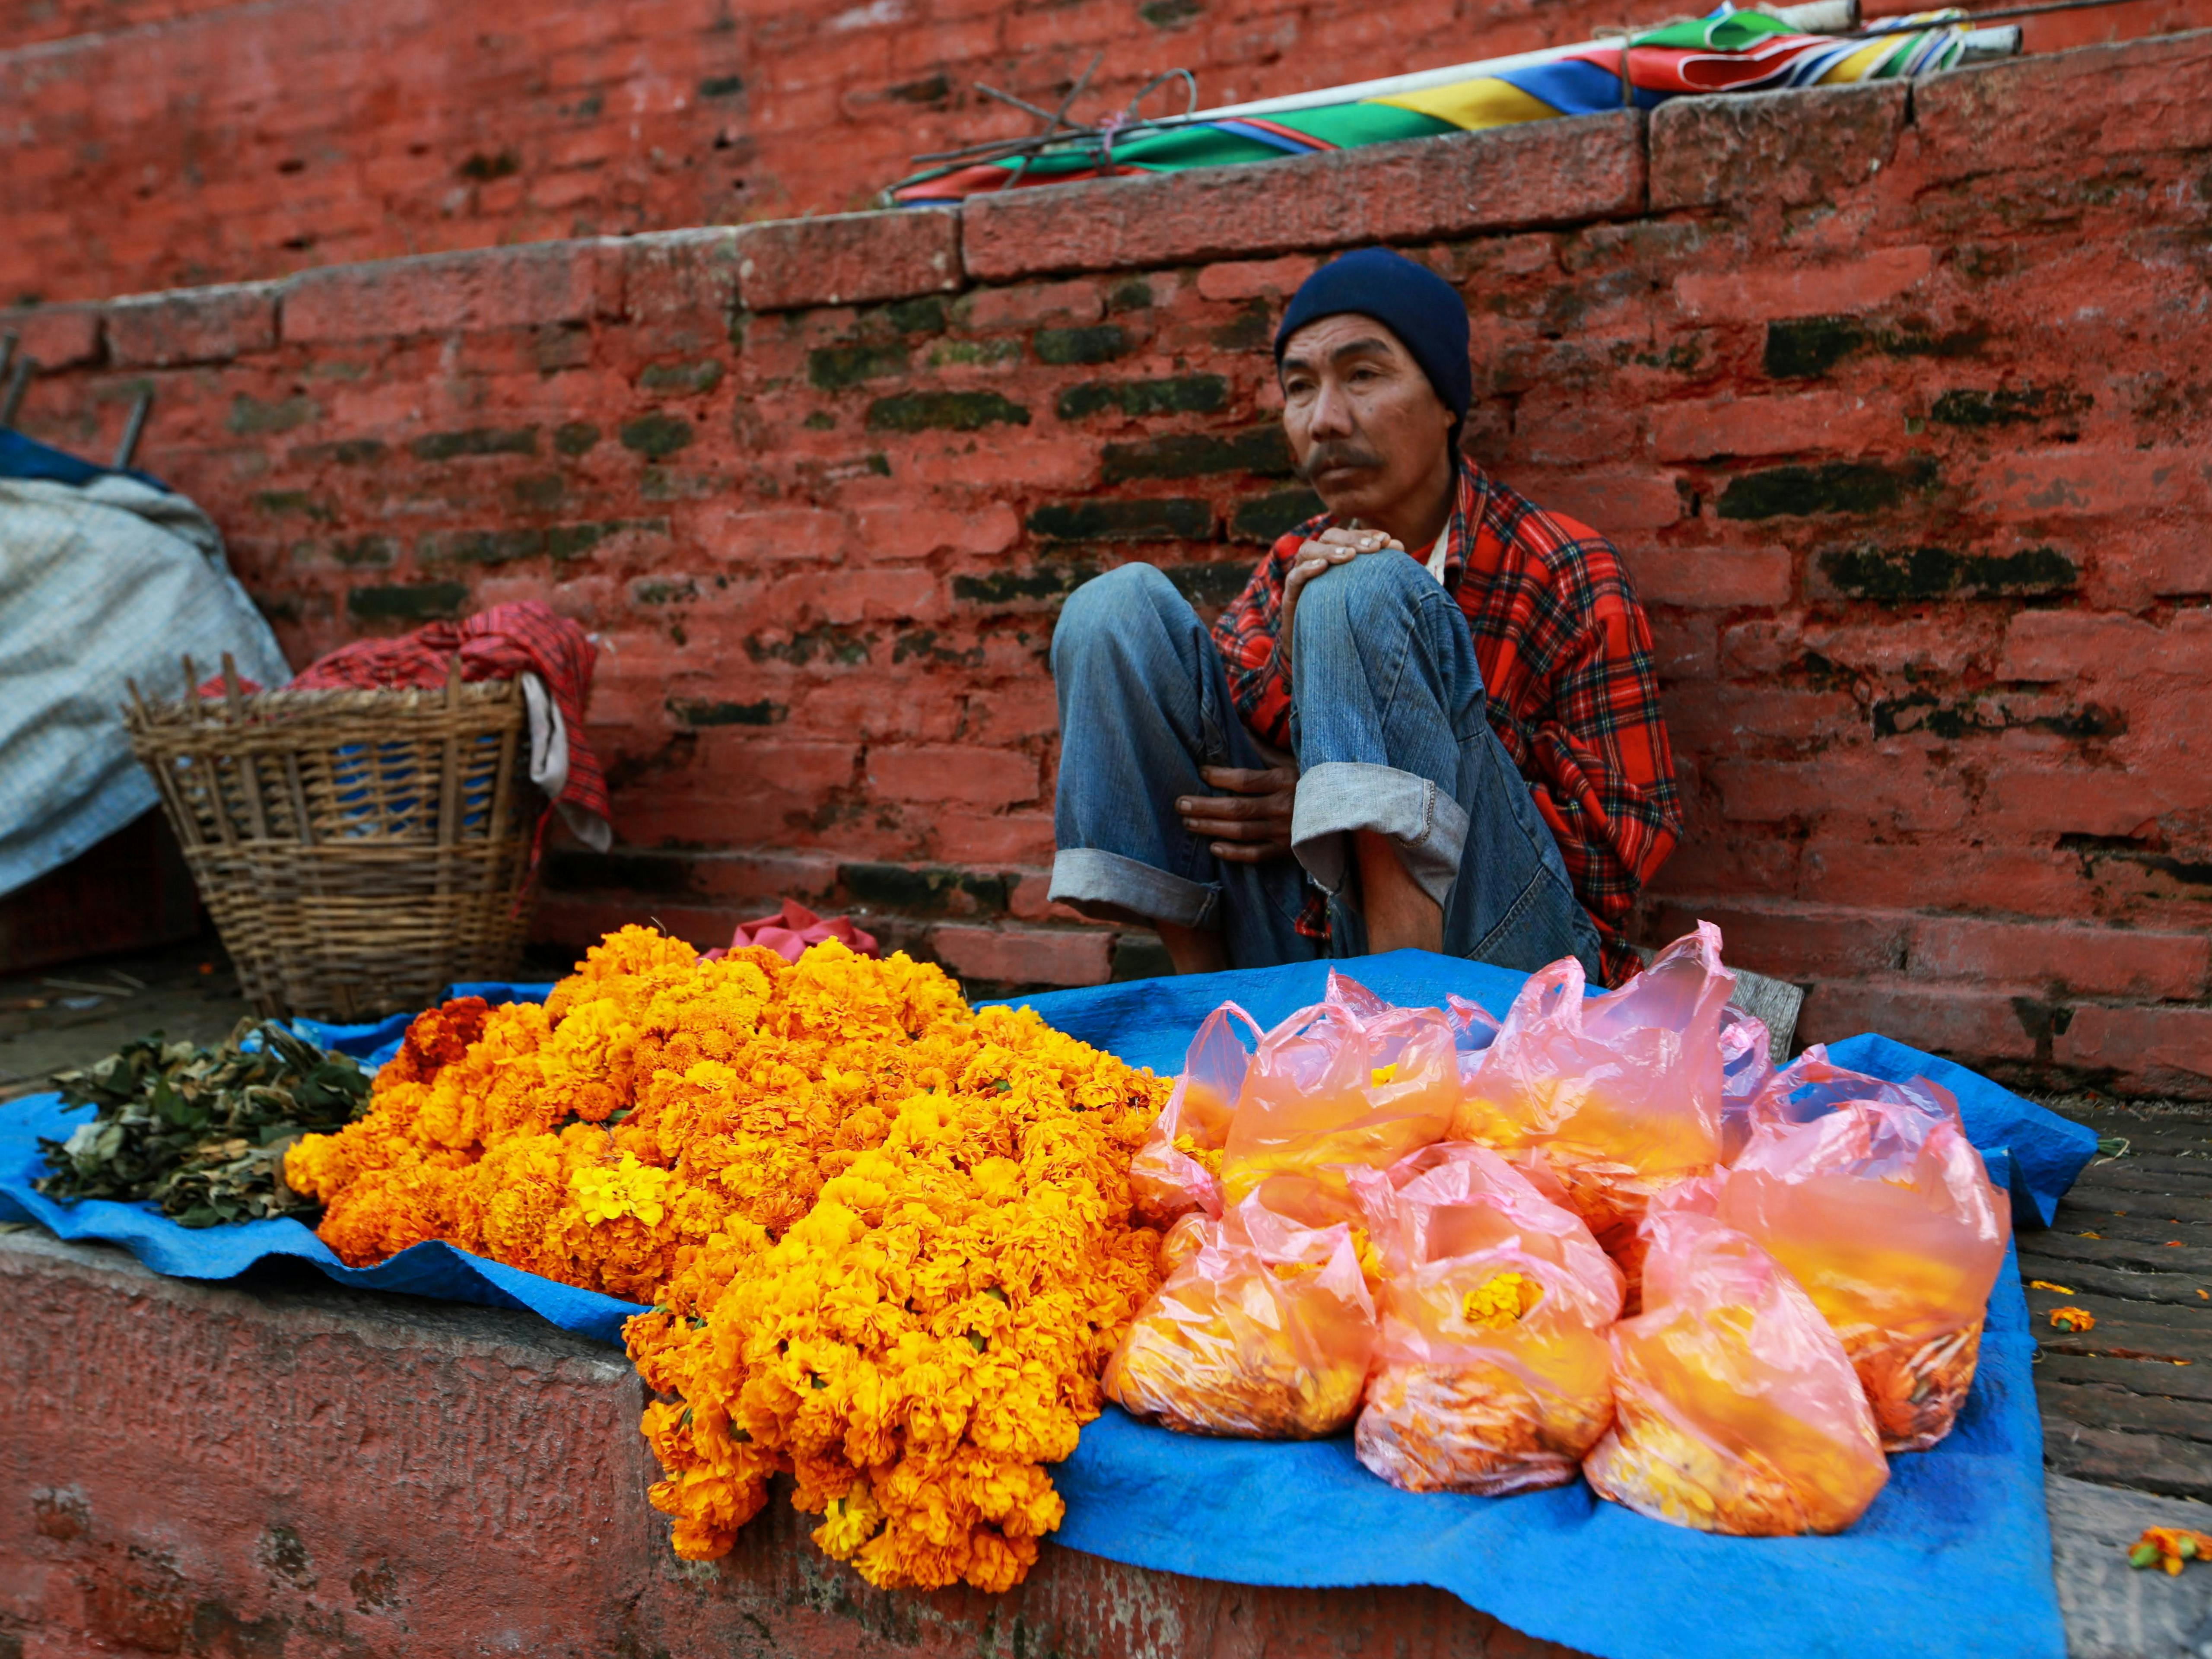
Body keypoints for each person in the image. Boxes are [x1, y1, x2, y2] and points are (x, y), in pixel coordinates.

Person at [1047, 246, 1681, 985]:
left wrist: (1360, 810)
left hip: (1508, 957)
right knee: (1111, 611)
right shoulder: (1294, 561)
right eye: (1299, 387)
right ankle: (1205, 996)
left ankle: (1399, 1019)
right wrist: (1306, 708)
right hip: (1306, 944)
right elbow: (1219, 757)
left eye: (1364, 375)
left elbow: (1621, 855)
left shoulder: (1563, 567)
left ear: (1447, 401)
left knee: (1362, 588)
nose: (1325, 420)